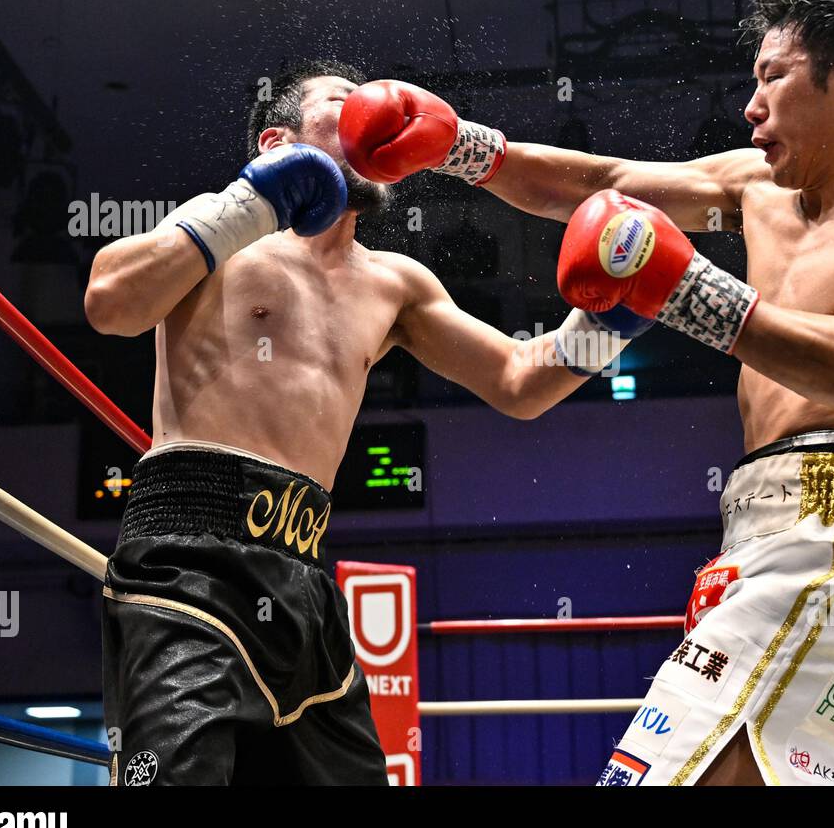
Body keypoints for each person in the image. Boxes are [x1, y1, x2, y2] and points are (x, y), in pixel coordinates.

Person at [338, 0, 834, 785]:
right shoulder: (755, 187)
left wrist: (679, 286)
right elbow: (602, 184)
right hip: (782, 544)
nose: (749, 106)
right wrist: (458, 146)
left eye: (772, 77)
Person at [84, 60, 621, 785]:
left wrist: (616, 319)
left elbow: (521, 382)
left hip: (304, 583)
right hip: (189, 564)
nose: (376, 116)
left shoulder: (396, 283)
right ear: (279, 141)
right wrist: (246, 204)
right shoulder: (221, 230)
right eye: (345, 105)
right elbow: (109, 303)